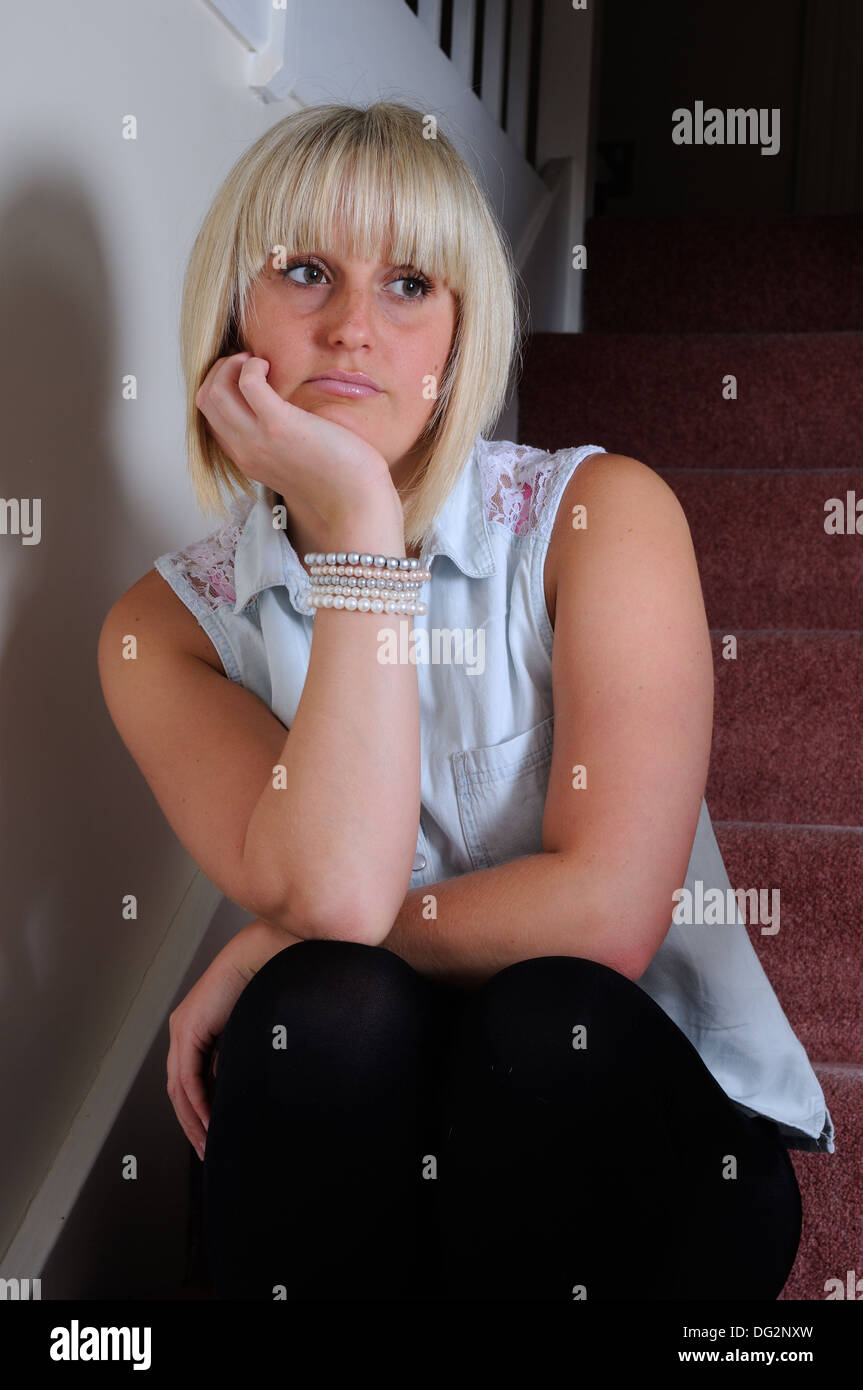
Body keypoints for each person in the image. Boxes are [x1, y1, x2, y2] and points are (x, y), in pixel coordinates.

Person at [97, 101, 832, 1303]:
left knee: (542, 1015)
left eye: (408, 285)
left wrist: (279, 935)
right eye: (302, 272)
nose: (350, 327)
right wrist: (362, 542)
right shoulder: (160, 628)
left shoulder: (600, 518)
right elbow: (339, 896)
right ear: (233, 314)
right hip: (382, 1139)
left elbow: (602, 918)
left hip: (635, 1137)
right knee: (322, 1006)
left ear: (461, 332)